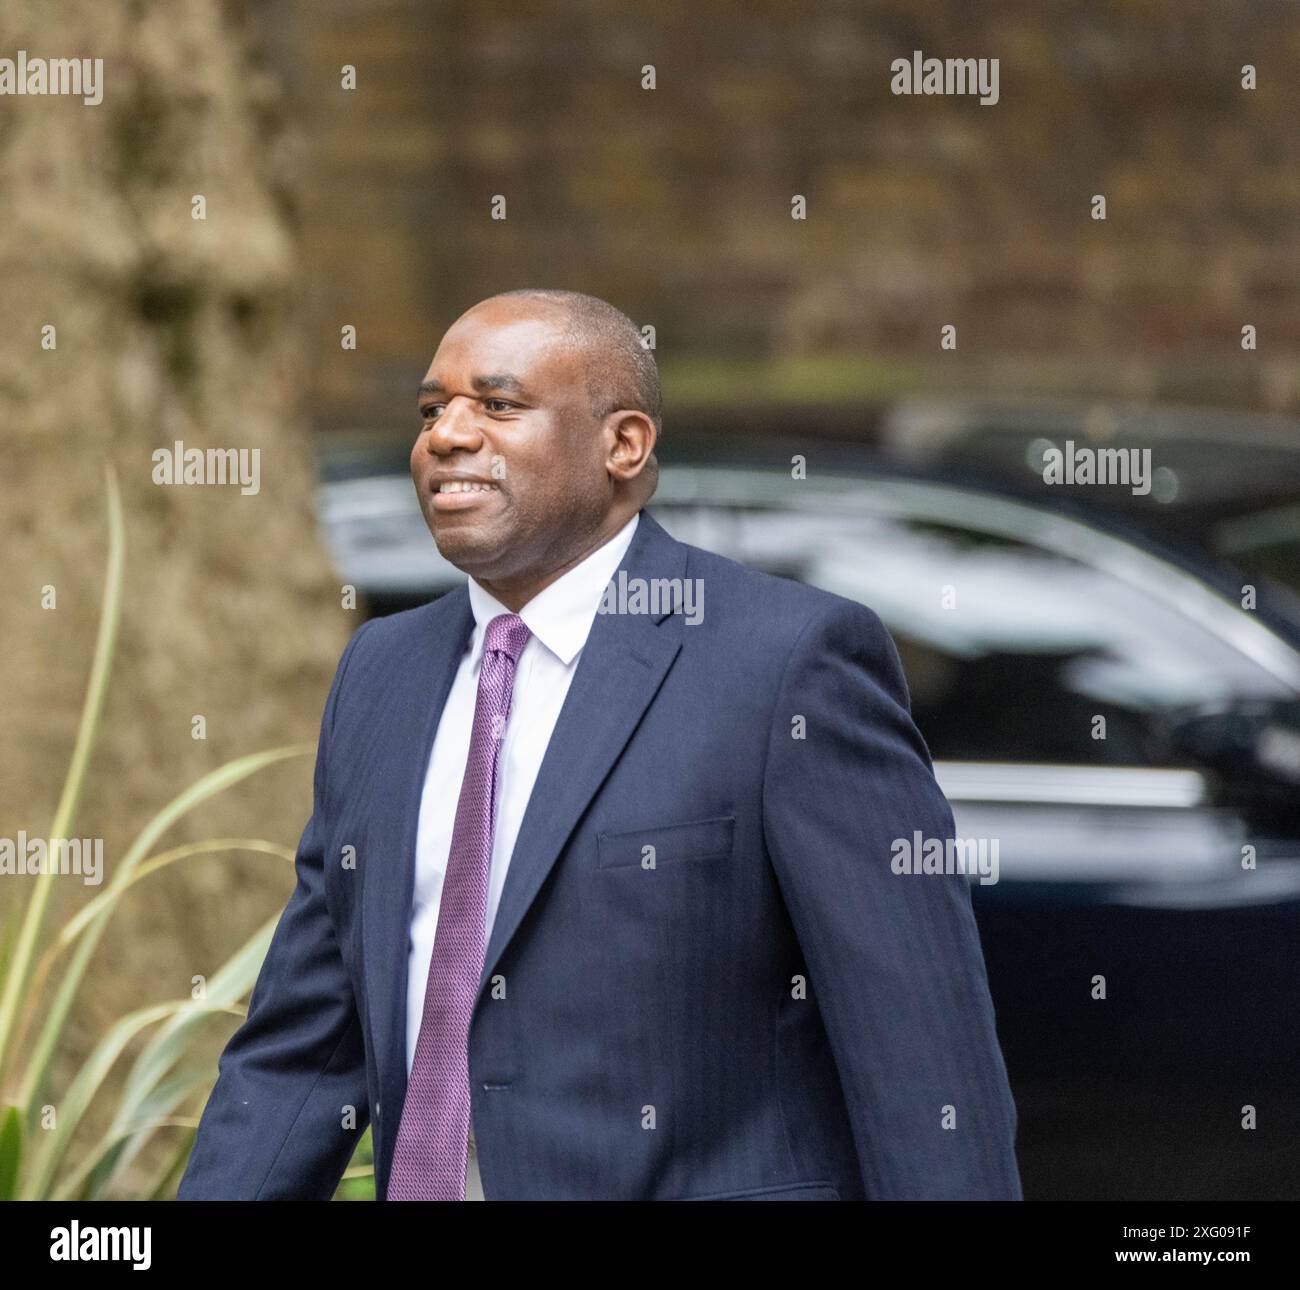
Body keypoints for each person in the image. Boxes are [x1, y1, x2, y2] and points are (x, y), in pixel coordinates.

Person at [178, 289, 1022, 1201]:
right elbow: (305, 1044)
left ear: (623, 444)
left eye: (498, 404)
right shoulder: (382, 672)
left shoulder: (787, 663)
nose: (447, 435)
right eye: (431, 410)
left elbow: (922, 1060)